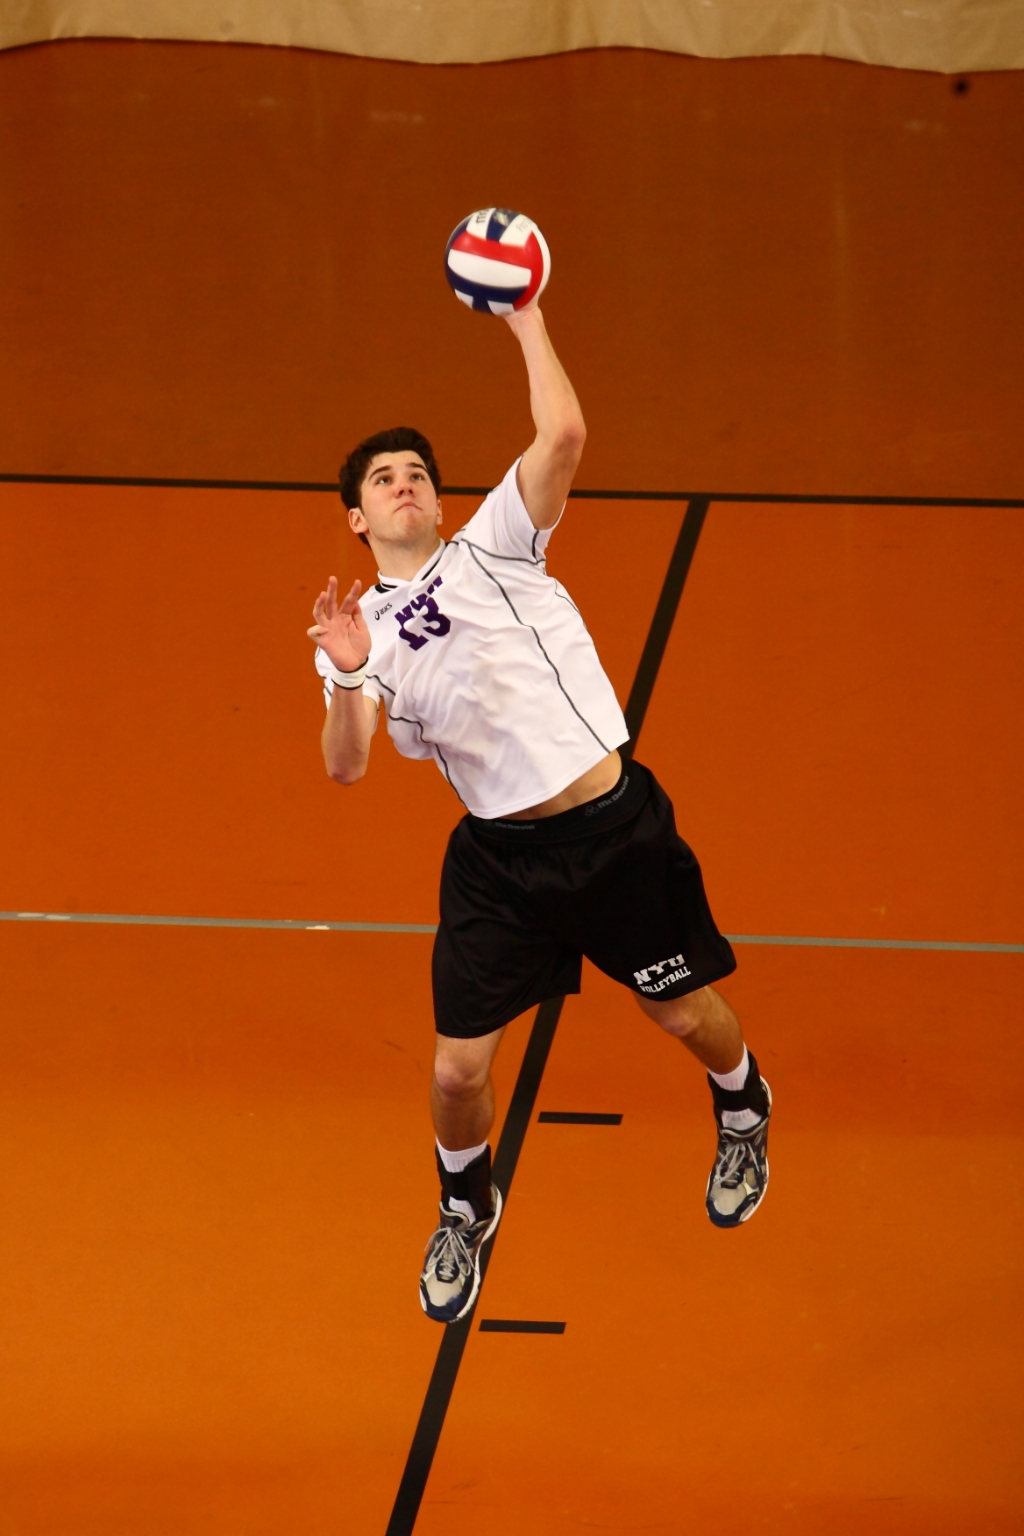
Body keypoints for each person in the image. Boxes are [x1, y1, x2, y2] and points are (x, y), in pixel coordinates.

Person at [307, 305, 771, 1325]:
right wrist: (346, 677)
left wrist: (524, 318)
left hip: (611, 834)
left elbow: (560, 436)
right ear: (356, 517)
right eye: (383, 479)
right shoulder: (358, 633)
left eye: (418, 472)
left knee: (681, 1012)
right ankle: (465, 1203)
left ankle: (741, 1100)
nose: (406, 485)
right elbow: (346, 769)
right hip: (499, 863)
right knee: (456, 1070)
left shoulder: (497, 547)